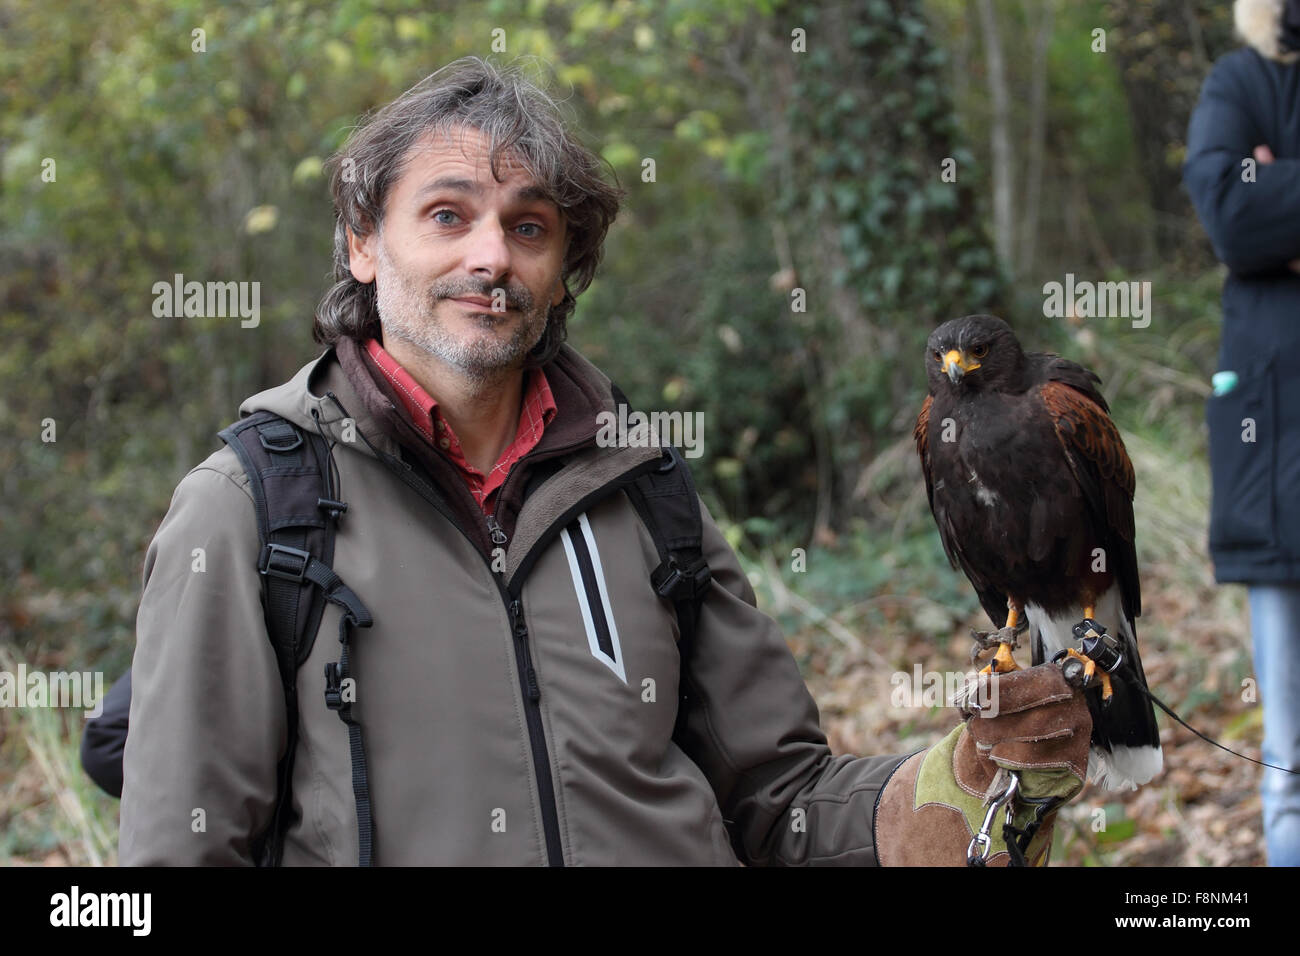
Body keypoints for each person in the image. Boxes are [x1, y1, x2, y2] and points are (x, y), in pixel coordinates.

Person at [118, 56, 1093, 866]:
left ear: (564, 266)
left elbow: (779, 800)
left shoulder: (644, 486)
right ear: (364, 242)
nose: (493, 256)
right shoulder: (252, 510)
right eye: (448, 215)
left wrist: (965, 782)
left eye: (528, 226)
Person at [1183, 0, 1300, 866]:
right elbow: (1232, 214)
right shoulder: (1242, 79)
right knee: (1293, 761)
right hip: (1281, 459)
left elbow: (1265, 213)